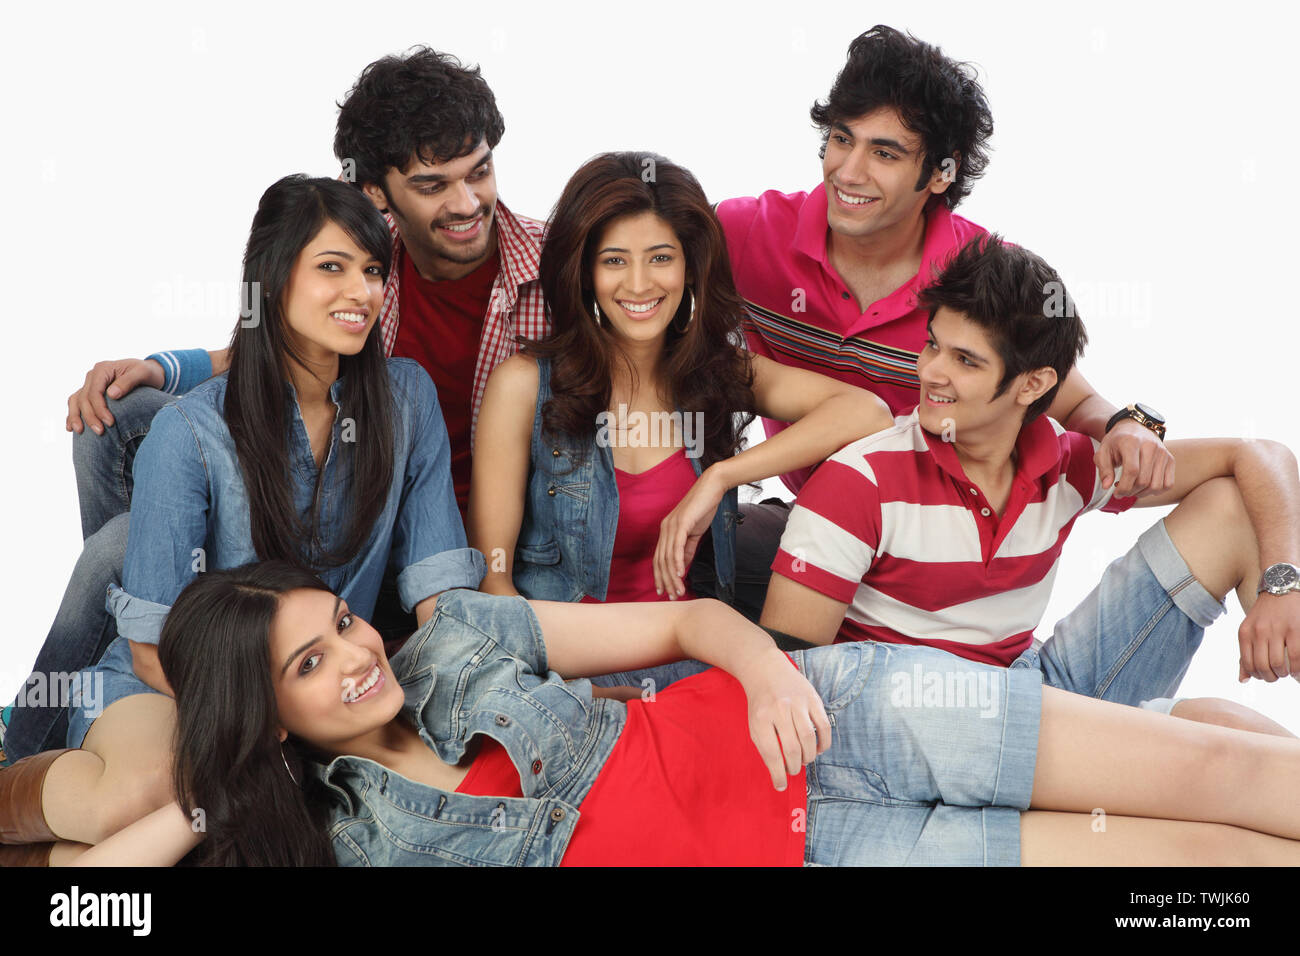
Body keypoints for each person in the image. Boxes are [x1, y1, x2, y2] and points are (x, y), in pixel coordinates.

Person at [4, 47, 542, 760]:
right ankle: (43, 739)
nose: (468, 204)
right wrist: (160, 366)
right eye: (433, 184)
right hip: (268, 578)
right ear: (382, 197)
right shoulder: (366, 267)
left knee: (121, 547)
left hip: (449, 533)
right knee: (119, 461)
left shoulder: (548, 276)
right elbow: (265, 353)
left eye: (479, 173)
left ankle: (146, 607)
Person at [70, 562, 1300, 866]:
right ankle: (1203, 719)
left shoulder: (453, 635)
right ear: (266, 720)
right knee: (1198, 867)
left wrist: (770, 670)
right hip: (828, 849)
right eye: (307, 663)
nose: (354, 649)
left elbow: (688, 622)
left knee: (1221, 780)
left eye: (339, 617)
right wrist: (206, 789)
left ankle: (1203, 725)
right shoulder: (346, 839)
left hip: (843, 718)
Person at [0, 175, 481, 865]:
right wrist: (283, 716)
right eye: (331, 268)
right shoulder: (191, 434)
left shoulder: (407, 400)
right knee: (148, 797)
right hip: (186, 684)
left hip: (321, 682)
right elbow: (149, 649)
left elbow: (442, 599)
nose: (361, 292)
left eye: (374, 271)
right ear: (272, 281)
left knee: (233, 828)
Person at [715, 25, 1177, 620]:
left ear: (939, 174)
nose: (848, 172)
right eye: (840, 139)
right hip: (816, 526)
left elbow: (1054, 386)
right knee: (693, 561)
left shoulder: (974, 274)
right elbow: (632, 266)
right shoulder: (746, 233)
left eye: (884, 153)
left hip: (930, 552)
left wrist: (1127, 425)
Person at [760, 236, 1300, 728]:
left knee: (1233, 506)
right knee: (1219, 739)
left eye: (965, 360)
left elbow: (1259, 456)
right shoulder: (858, 481)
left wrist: (1282, 589)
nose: (930, 372)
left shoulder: (1065, 468)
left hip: (1035, 697)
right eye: (932, 345)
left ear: (1034, 384)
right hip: (924, 737)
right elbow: (788, 681)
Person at [469, 152, 892, 608]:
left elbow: (868, 413)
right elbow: (493, 588)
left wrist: (719, 478)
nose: (638, 283)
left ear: (691, 268)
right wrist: (588, 681)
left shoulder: (718, 371)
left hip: (691, 658)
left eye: (660, 258)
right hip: (562, 667)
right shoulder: (523, 385)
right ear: (586, 273)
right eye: (614, 261)